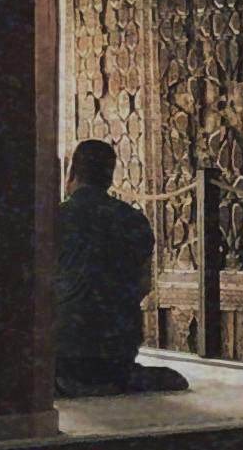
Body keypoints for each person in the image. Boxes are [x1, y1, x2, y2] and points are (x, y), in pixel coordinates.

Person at [56, 139, 190, 397]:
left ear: (71, 173)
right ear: (109, 177)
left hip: (64, 352)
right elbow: (143, 286)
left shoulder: (55, 219)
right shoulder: (134, 220)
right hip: (117, 351)